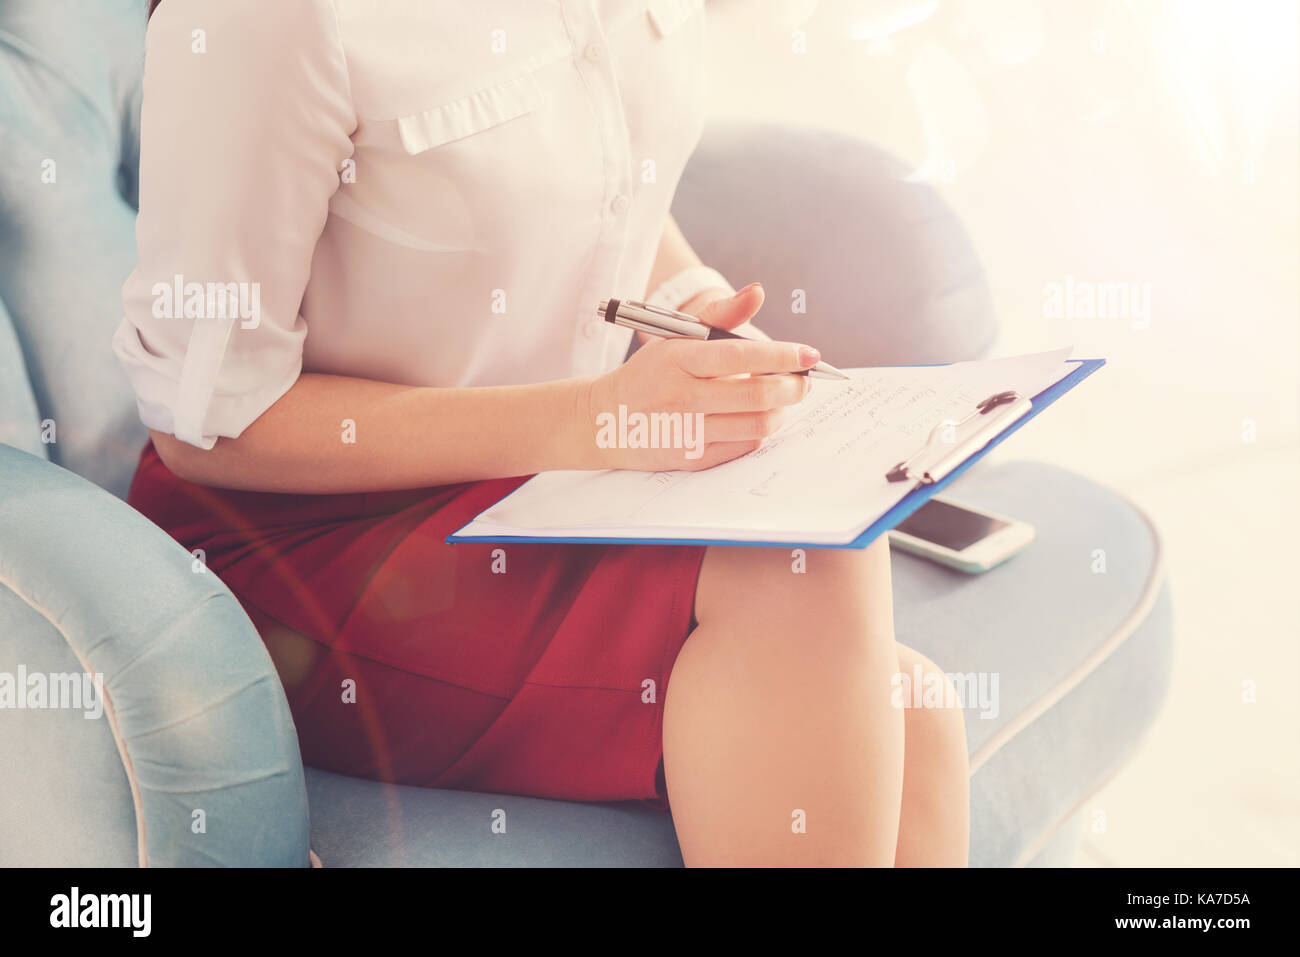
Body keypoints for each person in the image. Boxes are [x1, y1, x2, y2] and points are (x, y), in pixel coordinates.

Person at [115, 0, 969, 866]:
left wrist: (694, 315)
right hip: (300, 539)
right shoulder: (264, 20)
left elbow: (610, 180)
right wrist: (595, 418)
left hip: (537, 484)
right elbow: (210, 428)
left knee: (918, 710)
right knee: (812, 571)